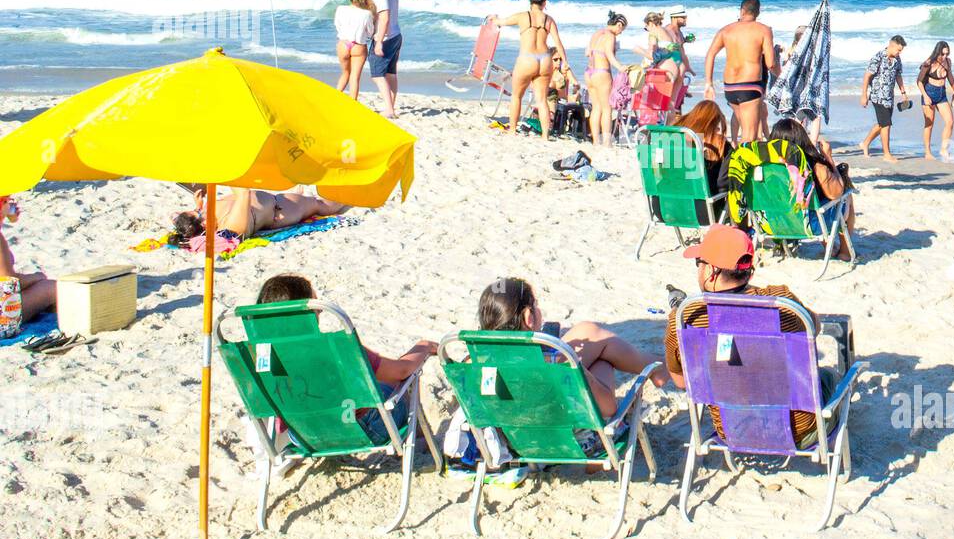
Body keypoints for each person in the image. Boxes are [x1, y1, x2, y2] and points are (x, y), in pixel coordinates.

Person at [662, 224, 840, 448]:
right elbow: (814, 326)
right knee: (828, 376)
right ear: (749, 271)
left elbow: (681, 381)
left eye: (699, 263)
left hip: (733, 431)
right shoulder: (781, 302)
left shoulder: (686, 316)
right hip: (800, 433)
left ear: (710, 271)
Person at [256, 274, 434, 444]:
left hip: (302, 436)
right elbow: (401, 371)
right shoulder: (337, 348)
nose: (320, 312)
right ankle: (420, 438)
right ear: (305, 314)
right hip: (360, 431)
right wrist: (424, 346)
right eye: (316, 309)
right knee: (395, 386)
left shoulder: (261, 354)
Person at [476, 277, 670, 418]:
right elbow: (609, 408)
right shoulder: (554, 364)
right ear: (528, 317)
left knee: (588, 333)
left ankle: (656, 366)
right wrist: (577, 366)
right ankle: (656, 367)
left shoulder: (477, 366)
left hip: (517, 435)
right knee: (598, 353)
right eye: (535, 305)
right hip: (564, 433)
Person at [769, 117, 855, 260]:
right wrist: (829, 158)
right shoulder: (813, 165)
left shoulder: (767, 167)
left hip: (776, 223)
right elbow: (837, 193)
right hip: (809, 225)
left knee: (817, 201)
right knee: (846, 196)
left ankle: (830, 247)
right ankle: (845, 252)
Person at [492, 0, 570, 141]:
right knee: (541, 100)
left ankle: (512, 129)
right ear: (544, 3)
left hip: (527, 59)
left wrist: (494, 18)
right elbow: (558, 43)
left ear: (530, 2)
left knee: (517, 96)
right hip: (545, 59)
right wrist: (565, 61)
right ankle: (545, 136)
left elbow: (501, 22)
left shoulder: (522, 16)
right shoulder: (549, 20)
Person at [703, 0, 778, 145]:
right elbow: (770, 63)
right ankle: (740, 167)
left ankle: (738, 163)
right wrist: (782, 76)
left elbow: (710, 54)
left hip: (730, 87)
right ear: (757, 12)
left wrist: (709, 83)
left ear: (742, 11)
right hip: (750, 85)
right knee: (750, 137)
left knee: (745, 131)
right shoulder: (763, 30)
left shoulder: (726, 30)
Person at [172, 186, 349, 242]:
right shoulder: (232, 227)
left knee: (308, 196)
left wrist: (199, 205)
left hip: (275, 199)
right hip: (282, 210)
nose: (200, 210)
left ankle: (300, 190)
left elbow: (176, 216)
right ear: (204, 226)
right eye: (198, 213)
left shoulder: (208, 214)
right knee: (321, 206)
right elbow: (243, 194)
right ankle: (350, 196)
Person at [0, 197, 56, 335]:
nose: (11, 202)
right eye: (6, 199)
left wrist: (7, 216)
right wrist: (36, 277)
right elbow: (8, 280)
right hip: (3, 319)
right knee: (51, 287)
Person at [353, 0, 402, 118]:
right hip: (396, 34)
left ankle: (389, 109)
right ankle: (391, 107)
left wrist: (379, 41)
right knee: (390, 73)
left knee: (377, 74)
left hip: (385, 37)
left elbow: (384, 17)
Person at [859, 34, 908, 162]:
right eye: (898, 50)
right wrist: (864, 95)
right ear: (891, 45)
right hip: (878, 96)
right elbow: (867, 76)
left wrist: (903, 93)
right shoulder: (878, 57)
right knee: (886, 124)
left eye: (901, 50)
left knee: (882, 124)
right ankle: (886, 154)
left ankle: (865, 143)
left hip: (889, 97)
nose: (899, 52)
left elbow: (898, 76)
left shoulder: (897, 59)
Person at [585, 11, 627, 146]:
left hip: (589, 73)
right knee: (607, 109)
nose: (620, 33)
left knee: (596, 107)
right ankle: (607, 142)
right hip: (602, 73)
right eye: (622, 29)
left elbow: (587, 52)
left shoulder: (597, 33)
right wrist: (620, 67)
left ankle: (596, 141)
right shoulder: (610, 36)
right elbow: (609, 54)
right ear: (619, 25)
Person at [677, 100, 732, 202]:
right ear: (715, 121)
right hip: (700, 210)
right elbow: (722, 184)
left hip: (663, 205)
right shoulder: (720, 143)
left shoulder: (672, 137)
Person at [916, 41, 954, 160]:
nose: (945, 56)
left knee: (950, 121)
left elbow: (950, 78)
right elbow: (919, 81)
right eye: (942, 54)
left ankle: (943, 149)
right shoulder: (929, 63)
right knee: (929, 124)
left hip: (942, 94)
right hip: (929, 93)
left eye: (947, 54)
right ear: (937, 52)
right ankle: (927, 152)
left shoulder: (948, 62)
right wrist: (925, 96)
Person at [334, 0, 377, 101]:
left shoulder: (340, 9)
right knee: (355, 77)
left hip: (343, 43)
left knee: (345, 73)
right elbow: (370, 32)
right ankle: (353, 104)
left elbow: (337, 25)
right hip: (358, 46)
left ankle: (334, 99)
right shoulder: (367, 13)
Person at [661, 5, 696, 103]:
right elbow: (665, 49)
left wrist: (684, 40)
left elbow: (678, 48)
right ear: (675, 17)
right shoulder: (667, 30)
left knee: (673, 99)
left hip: (679, 67)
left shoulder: (678, 31)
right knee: (668, 98)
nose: (686, 19)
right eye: (683, 17)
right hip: (671, 68)